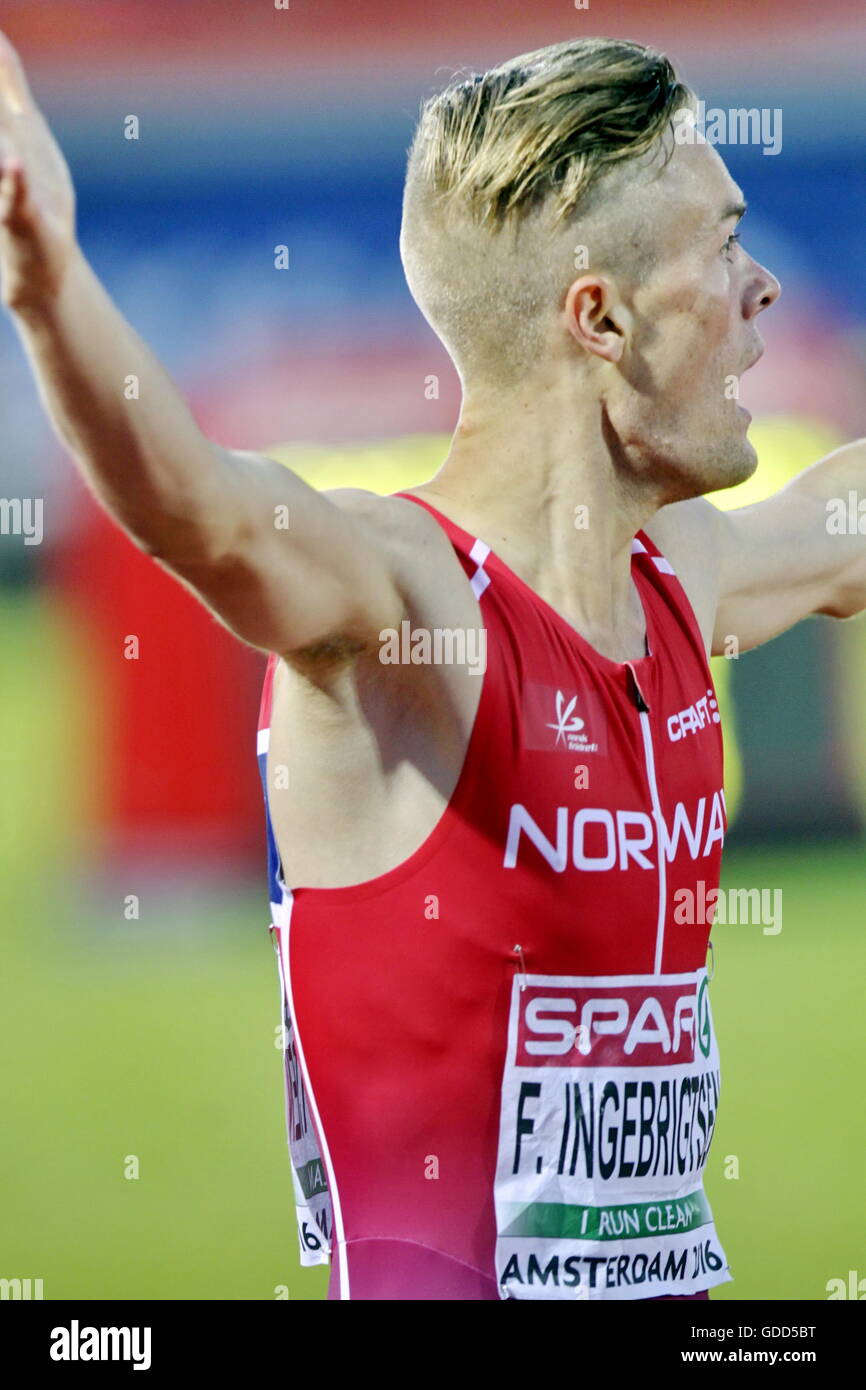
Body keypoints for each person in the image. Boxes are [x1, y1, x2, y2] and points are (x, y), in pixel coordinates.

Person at [2, 31, 863, 1301]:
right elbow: (202, 512)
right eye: (723, 245)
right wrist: (42, 274)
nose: (762, 289)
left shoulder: (687, 574)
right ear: (600, 317)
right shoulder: (406, 605)